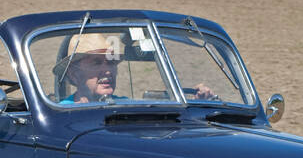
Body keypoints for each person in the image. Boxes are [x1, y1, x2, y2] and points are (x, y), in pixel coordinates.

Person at [54, 31, 218, 104]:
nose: (108, 70)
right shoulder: (62, 114)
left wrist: (198, 102)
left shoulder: (126, 106)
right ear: (74, 74)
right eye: (96, 63)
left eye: (111, 62)